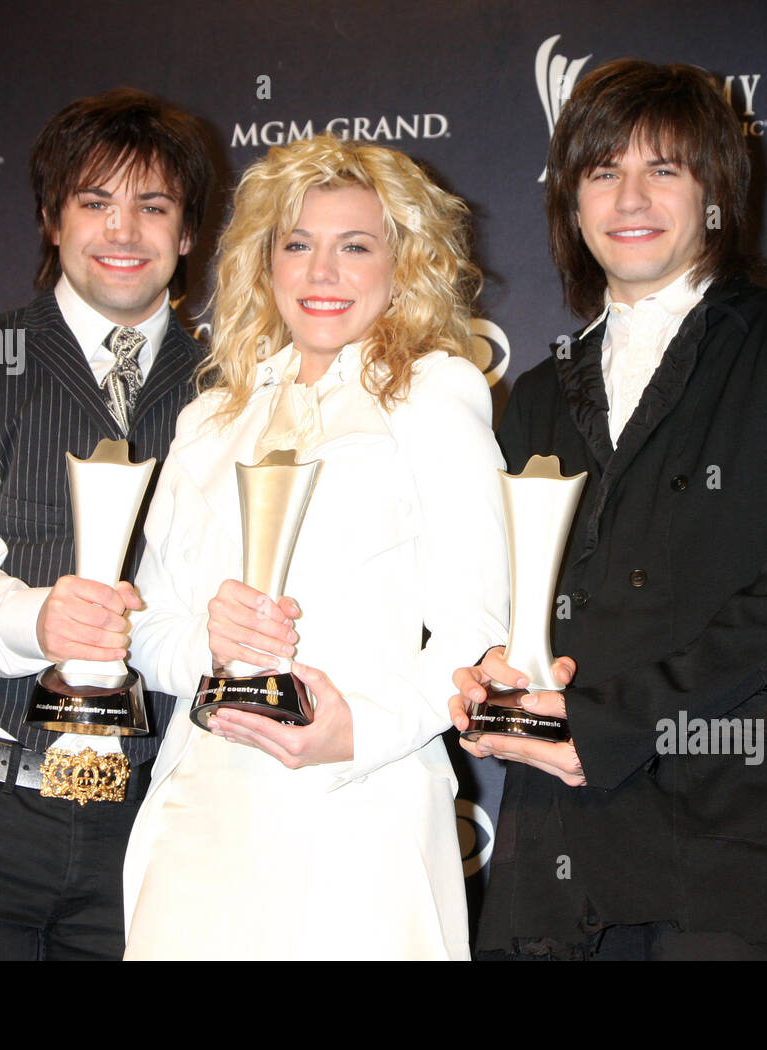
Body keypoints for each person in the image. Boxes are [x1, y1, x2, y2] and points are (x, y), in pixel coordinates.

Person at [450, 60, 767, 960]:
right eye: (603, 171)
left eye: (665, 169)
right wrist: (485, 672)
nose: (630, 198)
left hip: (731, 826)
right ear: (572, 202)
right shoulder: (532, 393)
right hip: (559, 845)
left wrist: (619, 723)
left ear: (716, 187)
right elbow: (508, 590)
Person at [121, 135, 508, 960]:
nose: (321, 273)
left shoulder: (434, 396)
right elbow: (150, 631)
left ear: (403, 264)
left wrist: (355, 735)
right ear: (265, 264)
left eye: (355, 246)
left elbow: (475, 624)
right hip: (201, 813)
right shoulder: (210, 423)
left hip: (360, 806)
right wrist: (206, 641)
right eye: (297, 244)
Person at [0, 88, 214, 960]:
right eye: (95, 202)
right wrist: (38, 618)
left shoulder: (233, 386)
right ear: (53, 222)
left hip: (148, 824)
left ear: (188, 234)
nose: (123, 230)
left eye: (153, 205)